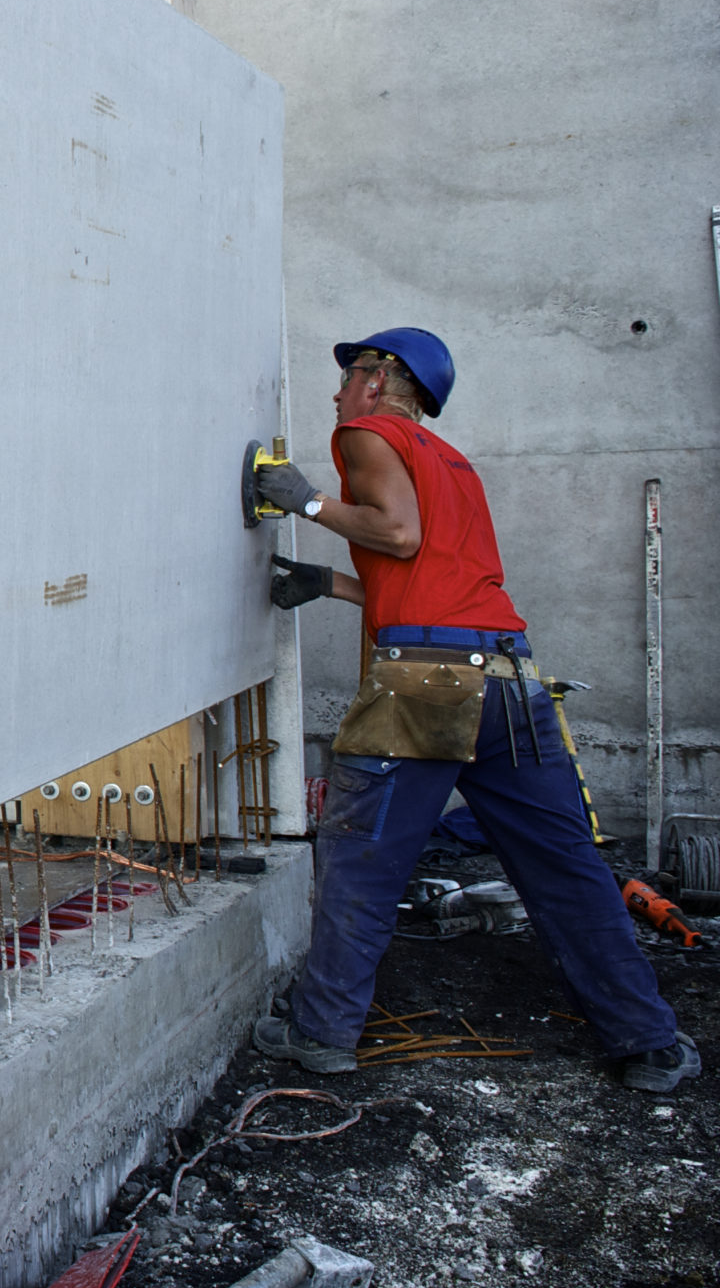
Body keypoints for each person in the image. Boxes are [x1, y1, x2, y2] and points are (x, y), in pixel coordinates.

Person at [256, 327, 695, 1094]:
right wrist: (327, 585)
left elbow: (395, 534)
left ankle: (319, 1034)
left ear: (377, 377)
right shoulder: (451, 463)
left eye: (346, 377)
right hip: (512, 680)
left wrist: (308, 499)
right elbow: (432, 582)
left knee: (361, 861)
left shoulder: (364, 431)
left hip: (427, 687)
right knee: (566, 867)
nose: (334, 394)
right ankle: (649, 1041)